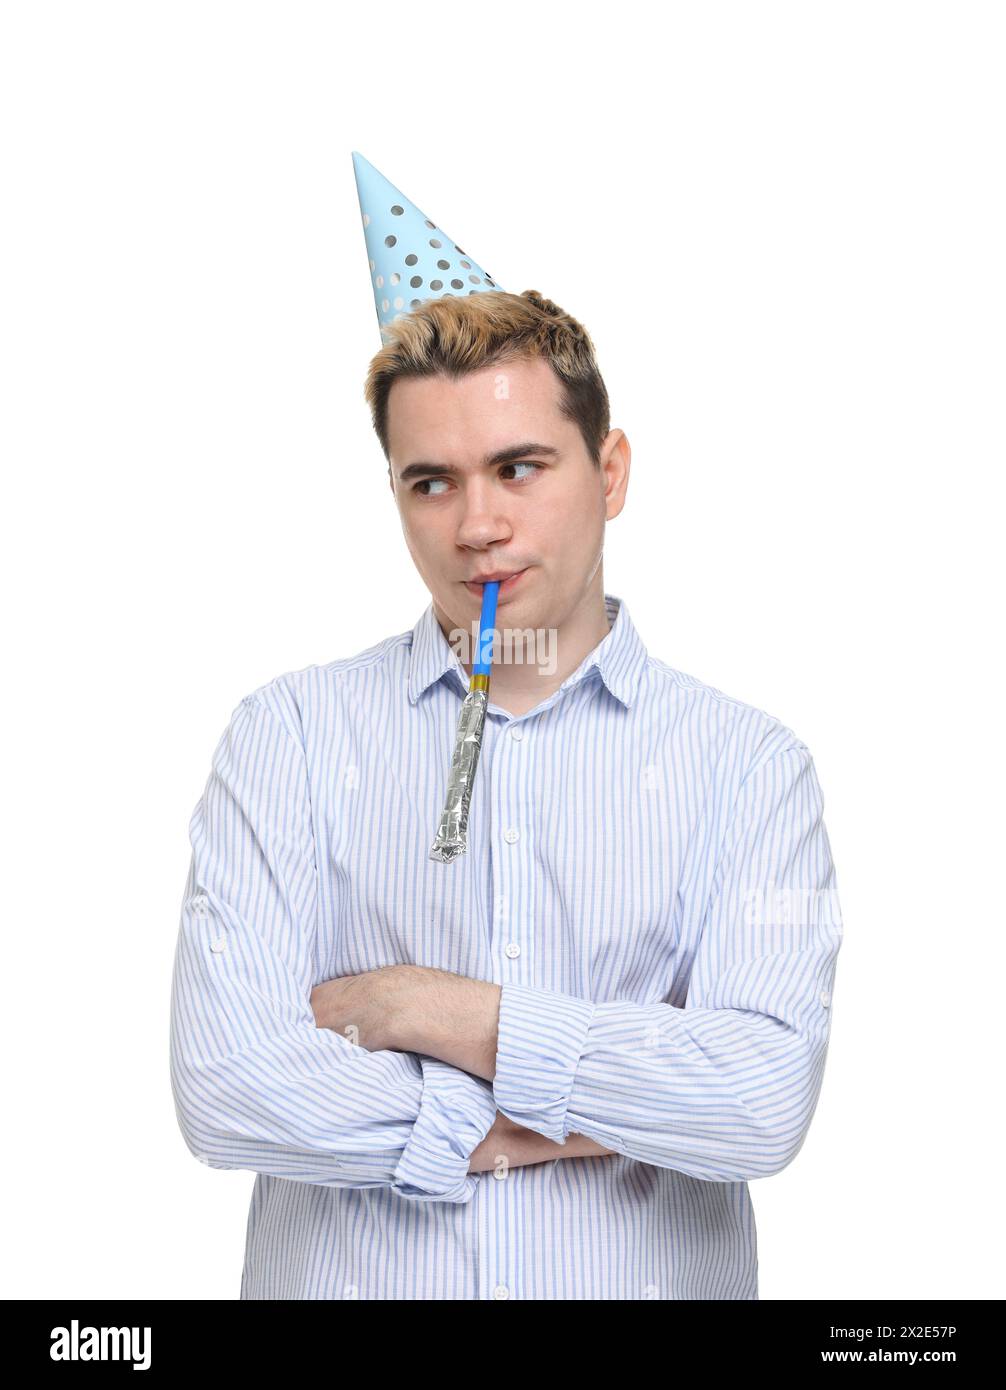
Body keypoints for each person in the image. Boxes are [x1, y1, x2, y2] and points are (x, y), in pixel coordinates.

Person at [169, 156, 842, 1299]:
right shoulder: (285, 737)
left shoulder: (746, 768)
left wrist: (437, 1010)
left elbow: (757, 1099)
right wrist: (551, 1115)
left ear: (610, 469)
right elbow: (229, 1082)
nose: (476, 523)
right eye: (429, 481)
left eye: (519, 467)